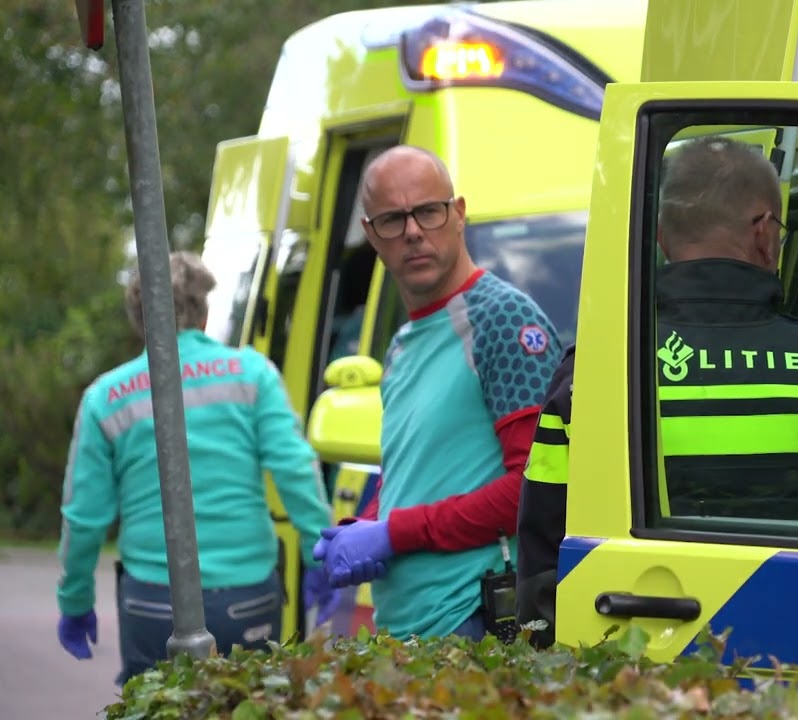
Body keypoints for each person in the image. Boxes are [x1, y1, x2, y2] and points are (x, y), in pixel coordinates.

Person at [514, 135, 798, 648]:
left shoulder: (595, 372)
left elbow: (542, 551)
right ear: (763, 232)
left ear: (661, 237)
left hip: (629, 647)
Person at [312, 145, 562, 643]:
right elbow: (414, 472)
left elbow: (531, 491)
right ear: (370, 234)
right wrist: (361, 525)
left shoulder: (503, 320)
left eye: (428, 211)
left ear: (459, 214)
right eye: (392, 219)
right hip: (409, 631)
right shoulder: (403, 345)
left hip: (474, 622)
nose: (412, 232)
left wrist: (392, 534)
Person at [55, 251, 336, 685]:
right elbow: (296, 470)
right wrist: (320, 557)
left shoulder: (106, 398)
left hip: (152, 601)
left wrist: (75, 600)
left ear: (139, 318)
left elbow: (84, 516)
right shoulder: (252, 375)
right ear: (204, 312)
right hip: (247, 597)